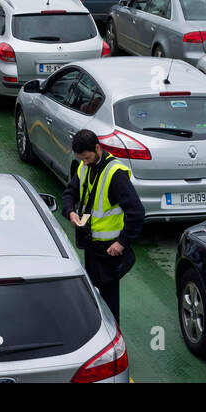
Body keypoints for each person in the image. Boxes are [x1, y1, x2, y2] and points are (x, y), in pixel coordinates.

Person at [60, 128, 145, 324]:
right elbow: (69, 193)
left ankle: (113, 339)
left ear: (98, 148)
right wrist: (70, 211)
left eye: (87, 157)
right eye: (81, 158)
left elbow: (136, 211)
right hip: (91, 246)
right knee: (92, 296)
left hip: (109, 251)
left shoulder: (115, 174)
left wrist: (122, 242)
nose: (85, 162)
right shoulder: (84, 166)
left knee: (109, 301)